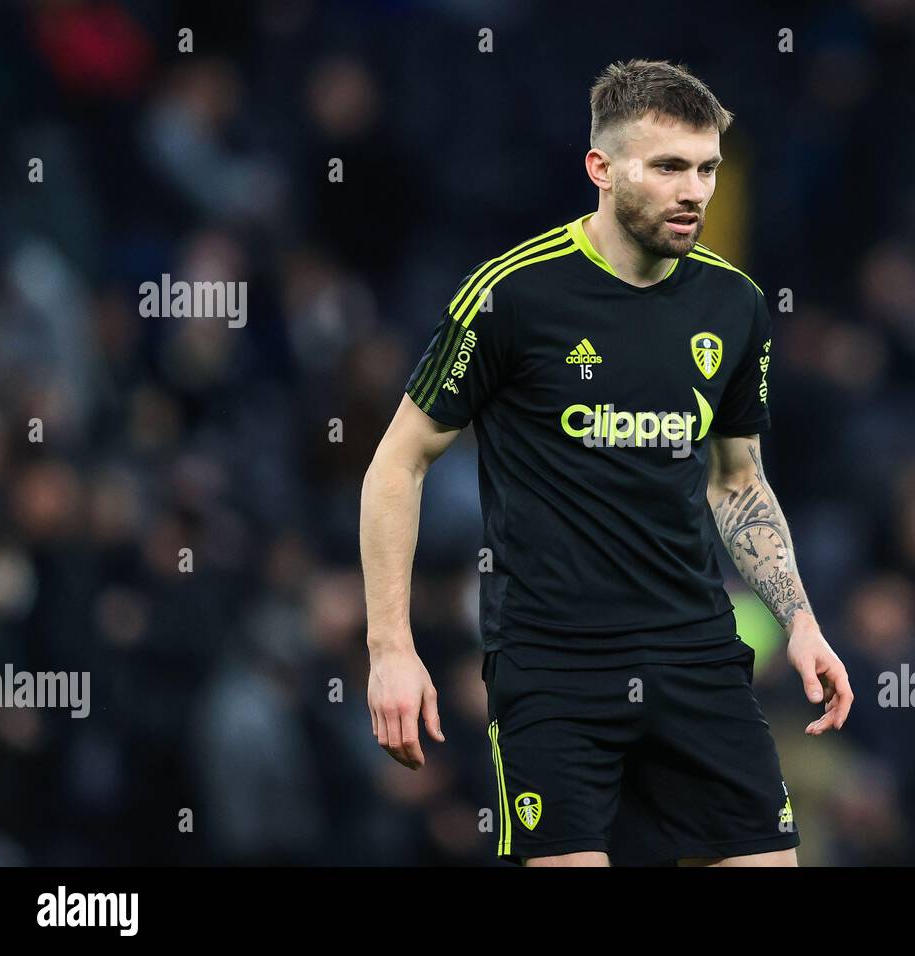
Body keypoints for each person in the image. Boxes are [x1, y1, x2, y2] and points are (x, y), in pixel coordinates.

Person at [360, 58, 852, 867]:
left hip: (697, 654)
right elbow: (396, 465)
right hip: (554, 668)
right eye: (667, 168)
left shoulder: (735, 304)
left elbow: (737, 481)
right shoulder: (512, 295)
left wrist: (799, 620)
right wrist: (390, 649)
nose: (693, 190)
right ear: (601, 167)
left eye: (706, 168)